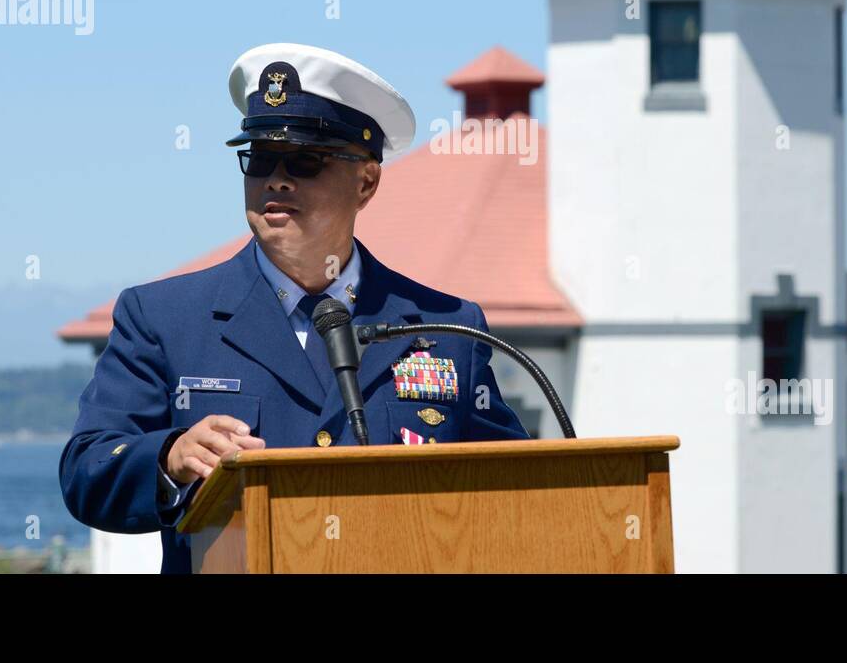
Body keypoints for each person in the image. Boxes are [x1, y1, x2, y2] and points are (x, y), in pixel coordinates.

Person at [59, 42, 530, 573]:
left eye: (305, 160)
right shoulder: (163, 317)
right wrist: (170, 457)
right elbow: (87, 472)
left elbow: (519, 492)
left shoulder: (448, 328)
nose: (276, 180)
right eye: (259, 159)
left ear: (367, 182)